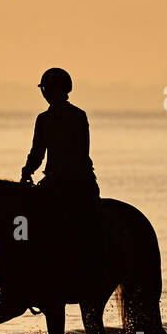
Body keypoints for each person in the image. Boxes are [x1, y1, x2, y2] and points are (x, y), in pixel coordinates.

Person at [20, 68, 100, 251]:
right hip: (54, 181)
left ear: (62, 90)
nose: (47, 94)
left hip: (79, 181)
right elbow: (37, 153)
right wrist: (27, 171)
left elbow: (80, 153)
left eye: (50, 89)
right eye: (45, 90)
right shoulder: (43, 119)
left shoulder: (78, 116)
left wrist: (57, 176)